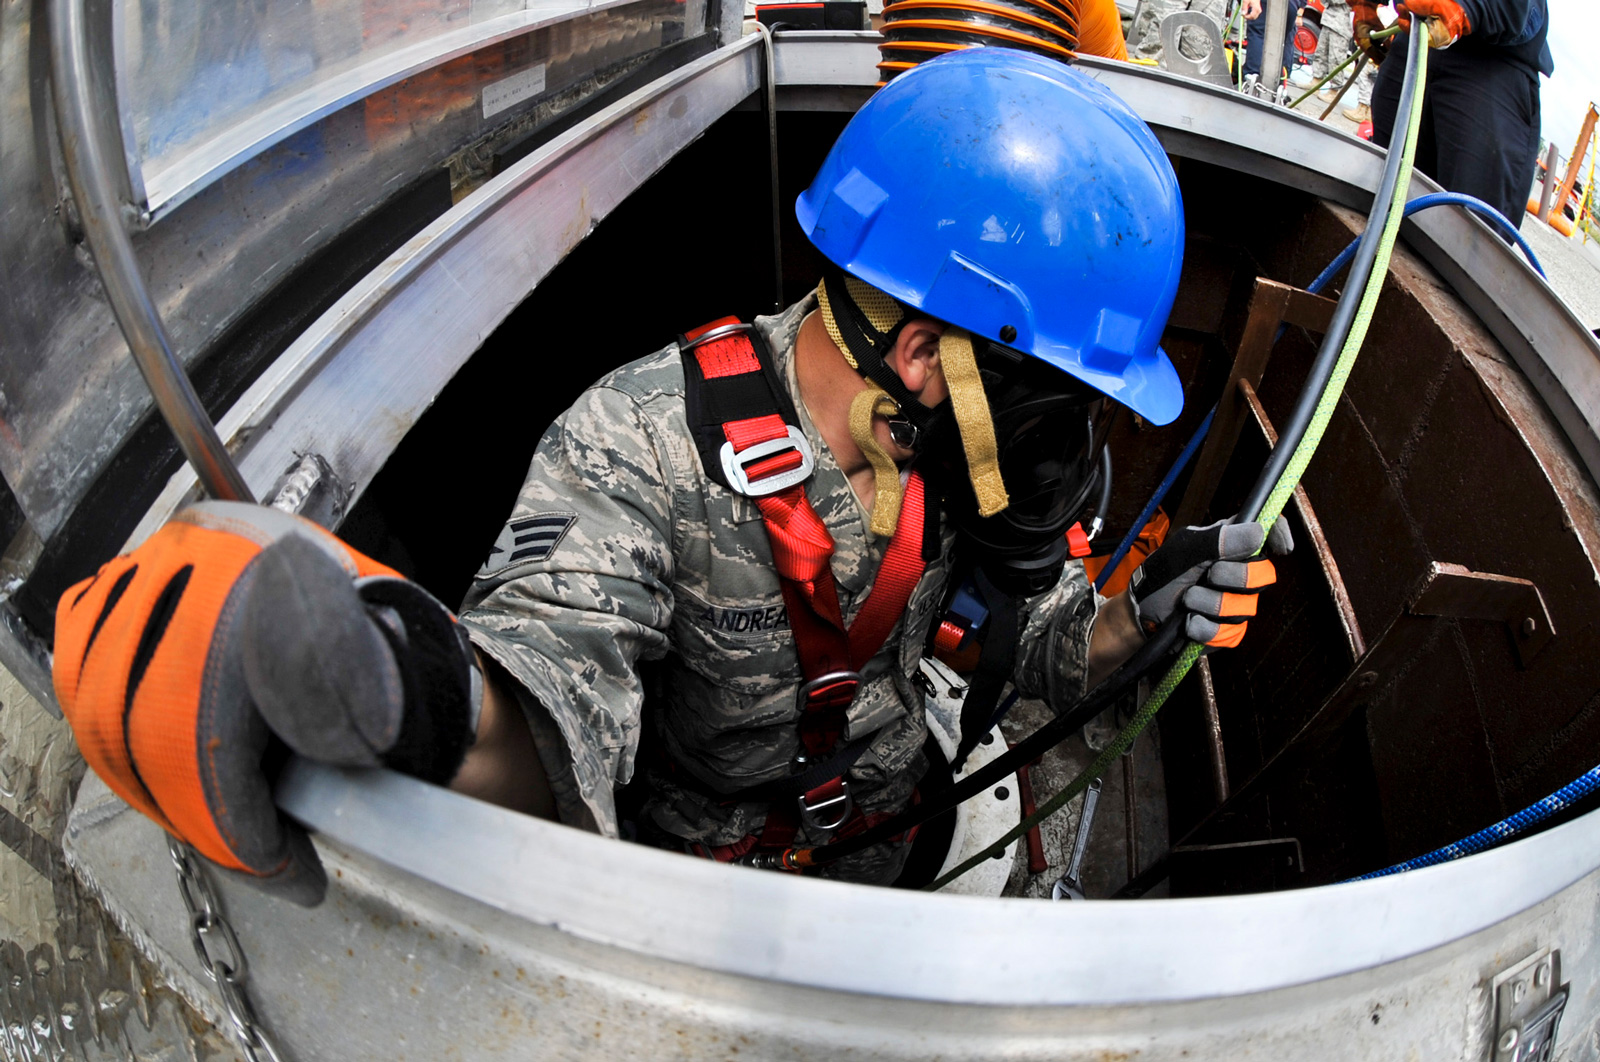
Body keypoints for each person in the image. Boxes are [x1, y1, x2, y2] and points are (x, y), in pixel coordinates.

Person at [51, 49, 1289, 902]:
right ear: (925, 355)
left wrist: (1132, 619)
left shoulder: (947, 453)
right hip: (713, 900)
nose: (1060, 452)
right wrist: (395, 685)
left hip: (898, 841)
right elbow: (546, 694)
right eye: (1052, 409)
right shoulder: (637, 447)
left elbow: (1027, 638)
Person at [1363, 0, 1550, 229]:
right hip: (1415, 34)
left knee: (1468, 229)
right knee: (1373, 201)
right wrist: (1364, 4)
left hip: (1491, 62)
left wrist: (1468, 8)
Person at [1241, 0, 1309, 85]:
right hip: (1292, 5)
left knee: (1259, 33)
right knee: (1283, 40)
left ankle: (1253, 75)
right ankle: (1280, 78)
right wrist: (1300, 12)